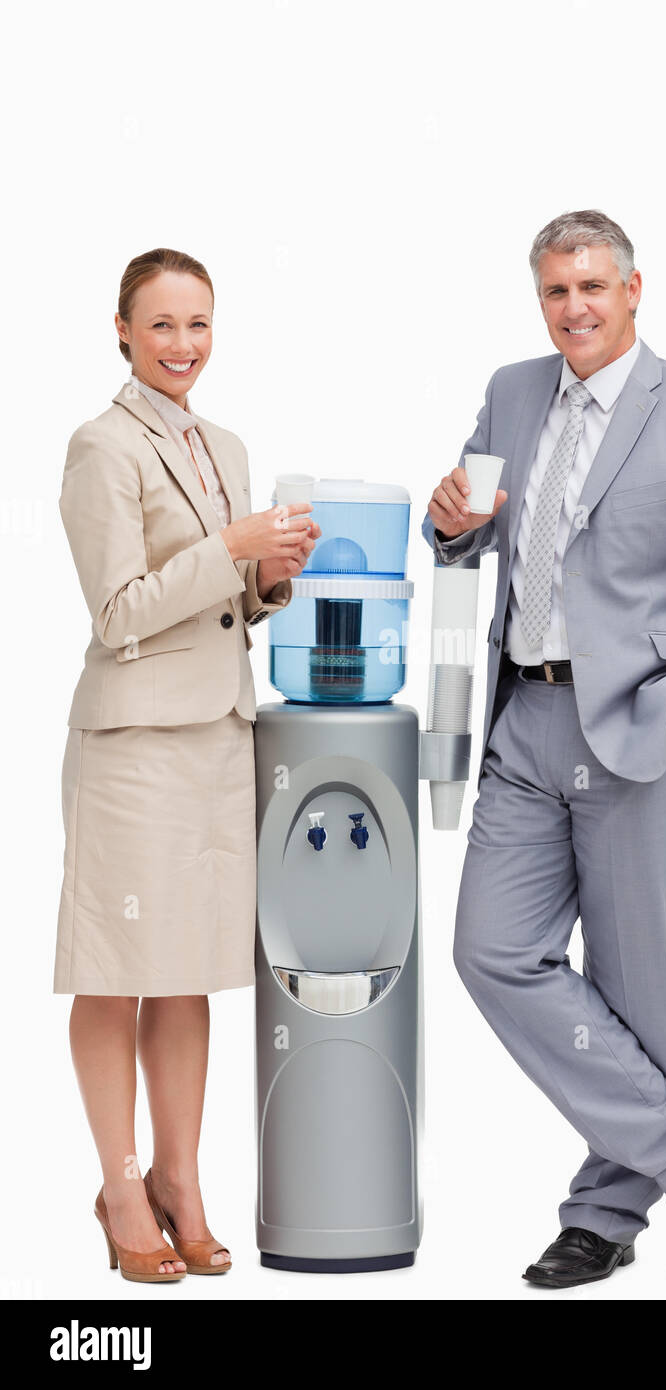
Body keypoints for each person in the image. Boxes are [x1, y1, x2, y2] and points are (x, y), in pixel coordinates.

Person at [422, 210, 666, 1288]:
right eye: (552, 291)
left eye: (589, 287)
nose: (571, 307)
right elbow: (480, 525)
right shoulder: (513, 389)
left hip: (632, 732)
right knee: (489, 949)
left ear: (632, 290)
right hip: (523, 716)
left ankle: (603, 1214)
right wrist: (447, 523)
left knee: (631, 988)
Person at [55, 247, 321, 1283]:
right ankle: (121, 1185)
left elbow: (223, 603)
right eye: (161, 325)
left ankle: (181, 1181)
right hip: (133, 750)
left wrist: (264, 575)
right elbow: (120, 611)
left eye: (199, 323)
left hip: (218, 739)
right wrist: (229, 549)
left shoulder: (225, 444)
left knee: (190, 976)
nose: (182, 344)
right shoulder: (99, 446)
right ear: (121, 329)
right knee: (119, 975)